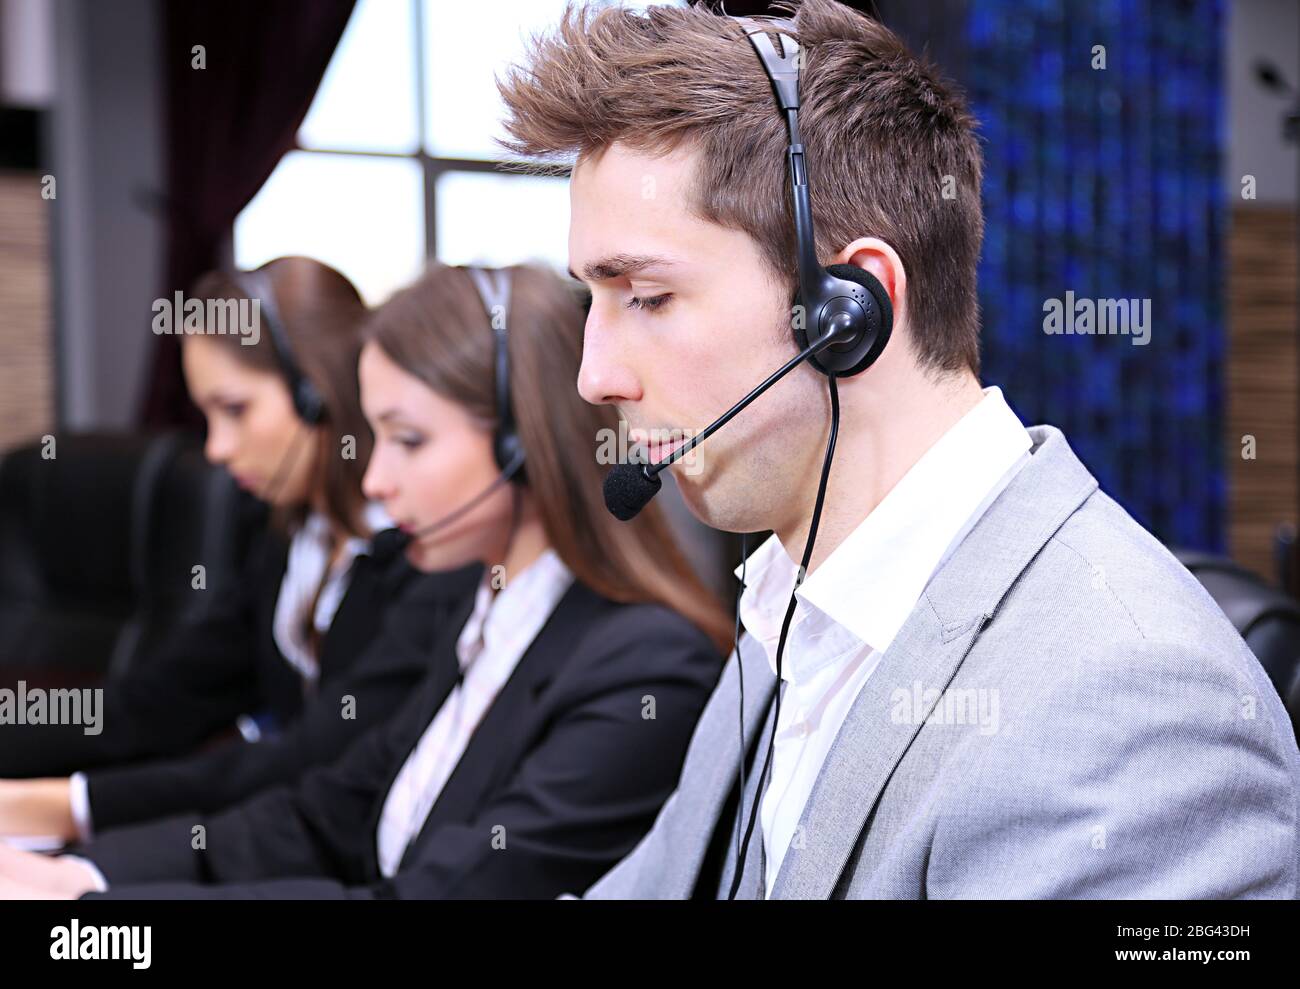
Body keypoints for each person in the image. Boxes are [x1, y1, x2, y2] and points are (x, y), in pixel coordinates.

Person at [492, 0, 1299, 898]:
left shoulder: (1134, 707)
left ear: (850, 310)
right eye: (591, 303)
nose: (592, 377)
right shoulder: (790, 607)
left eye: (644, 296)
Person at [0, 261, 731, 899]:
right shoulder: (485, 613)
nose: (377, 478)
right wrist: (83, 876)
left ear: (520, 445)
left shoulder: (647, 675)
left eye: (408, 439)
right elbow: (329, 814)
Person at [0, 257, 478, 841]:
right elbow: (155, 703)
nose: (217, 450)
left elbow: (310, 755)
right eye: (207, 417)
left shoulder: (435, 557)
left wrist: (66, 806)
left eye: (235, 410)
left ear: (316, 392)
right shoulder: (286, 540)